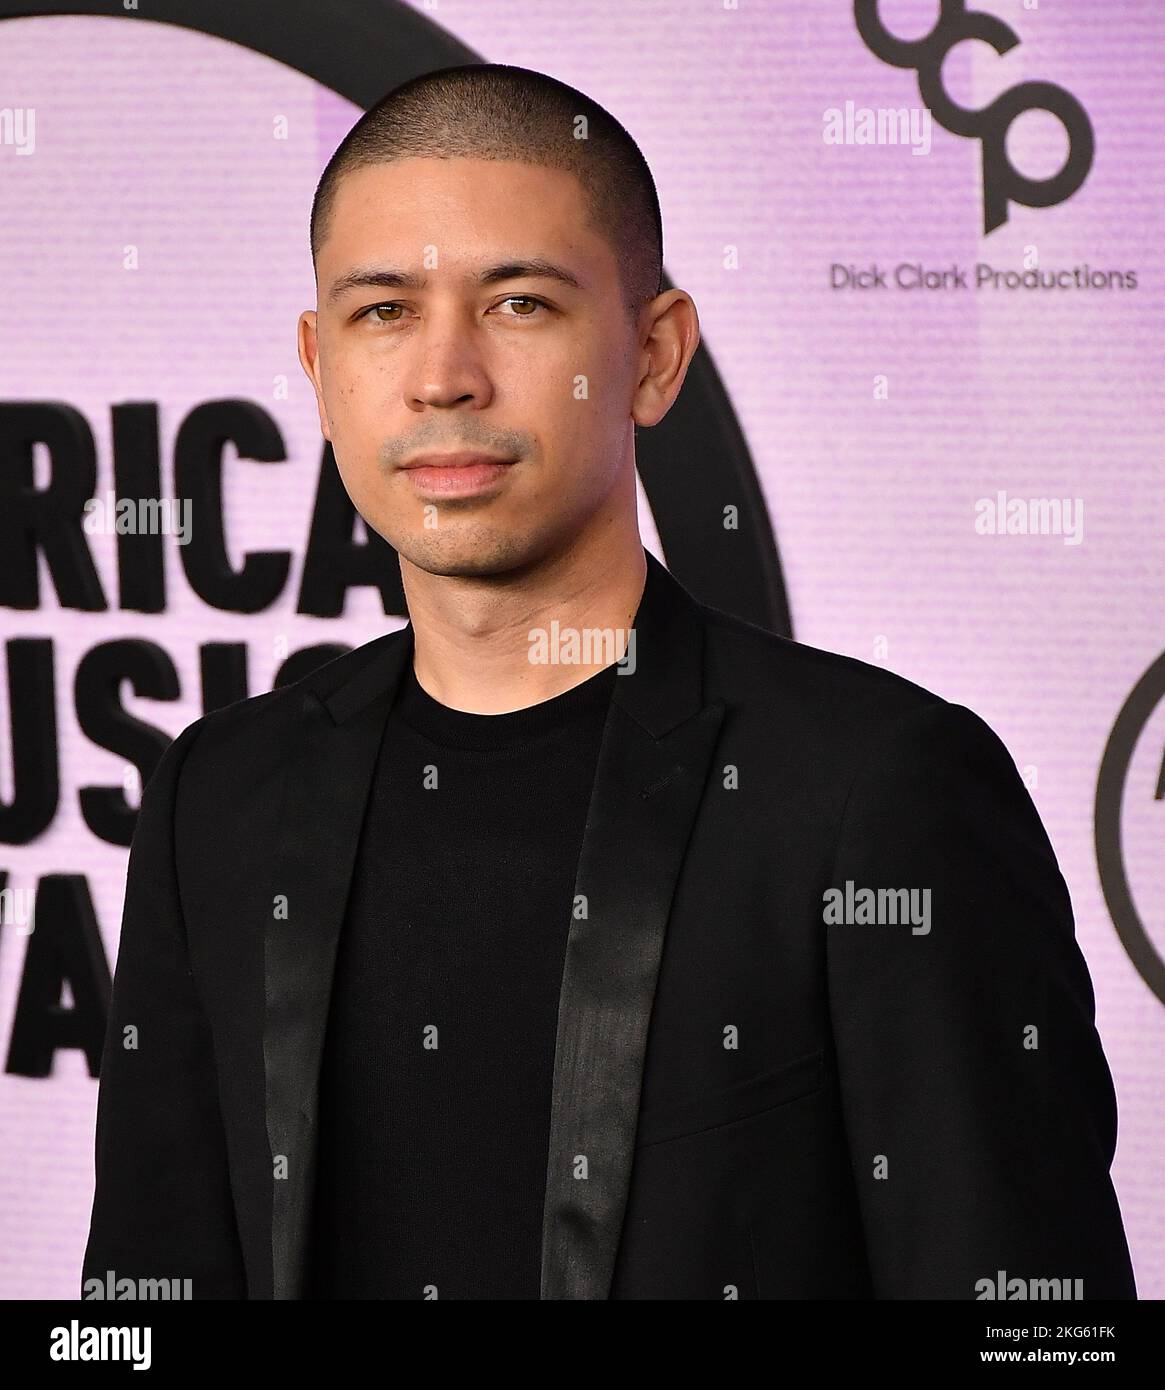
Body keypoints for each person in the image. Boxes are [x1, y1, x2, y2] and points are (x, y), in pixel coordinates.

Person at [81, 63, 1136, 1300]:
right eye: (383, 312)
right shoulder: (224, 790)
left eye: (518, 303)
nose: (442, 376)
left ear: (652, 353)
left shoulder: (875, 789)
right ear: (316, 367)